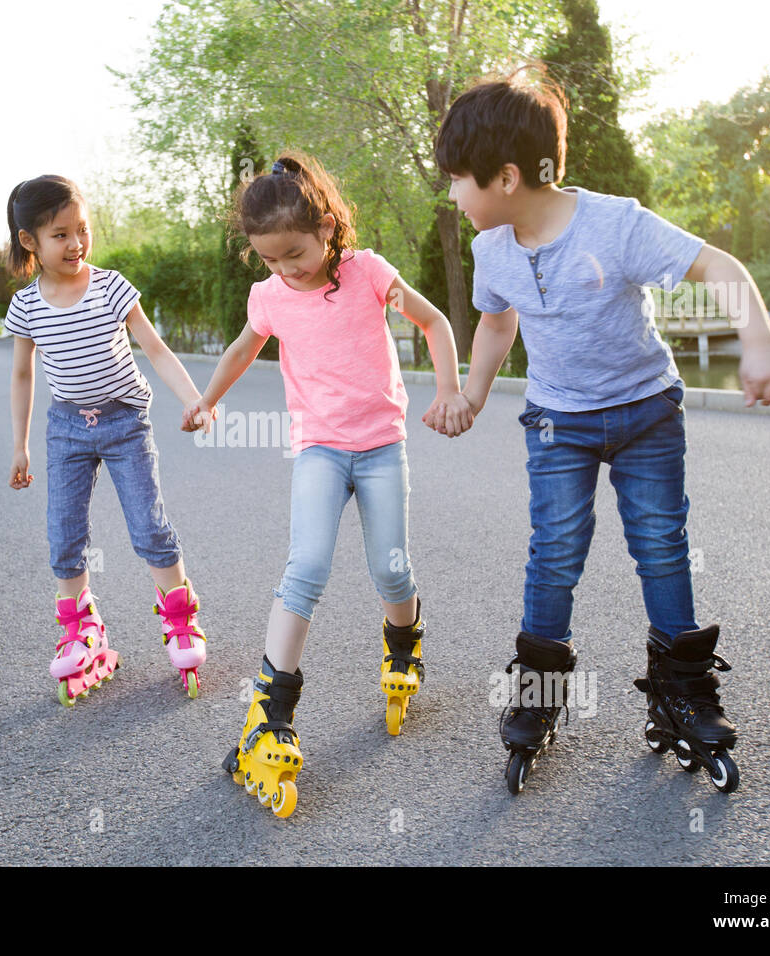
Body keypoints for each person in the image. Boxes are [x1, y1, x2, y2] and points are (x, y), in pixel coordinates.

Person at [433, 69, 770, 794]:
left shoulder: (614, 223)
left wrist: (758, 341)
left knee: (662, 545)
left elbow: (716, 264)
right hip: (557, 423)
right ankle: (540, 697)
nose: (451, 195)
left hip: (646, 412)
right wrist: (472, 391)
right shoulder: (492, 247)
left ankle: (684, 693)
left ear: (506, 176)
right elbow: (498, 317)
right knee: (555, 551)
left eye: (457, 181)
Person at [183, 152, 473, 817]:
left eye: (295, 253)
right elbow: (241, 350)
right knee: (305, 568)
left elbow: (434, 322)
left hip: (379, 448)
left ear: (328, 226)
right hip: (318, 450)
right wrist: (209, 400)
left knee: (391, 571)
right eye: (270, 259)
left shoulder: (368, 273)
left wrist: (450, 389)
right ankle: (271, 712)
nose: (285, 269)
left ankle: (403, 646)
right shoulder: (269, 297)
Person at [4, 175, 213, 706]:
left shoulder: (111, 287)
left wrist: (194, 398)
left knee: (148, 524)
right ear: (30, 241)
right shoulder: (26, 306)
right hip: (66, 428)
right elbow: (24, 376)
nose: (76, 243)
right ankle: (81, 630)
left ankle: (181, 621)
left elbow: (156, 349)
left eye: (82, 230)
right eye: (60, 235)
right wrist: (21, 445)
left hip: (124, 421)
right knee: (64, 532)